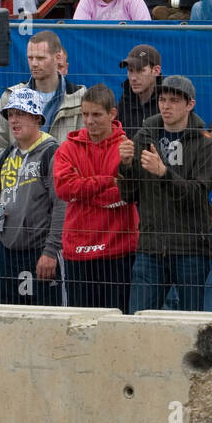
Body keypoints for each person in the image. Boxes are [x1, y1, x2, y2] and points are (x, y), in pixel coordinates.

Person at [119, 74, 212, 313]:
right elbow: (129, 195)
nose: (166, 106)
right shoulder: (144, 136)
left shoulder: (206, 144)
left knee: (193, 325)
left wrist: (164, 173)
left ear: (190, 104)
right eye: (162, 99)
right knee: (137, 321)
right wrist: (125, 165)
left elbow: (197, 195)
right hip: (151, 248)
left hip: (191, 249)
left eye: (173, 100)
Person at [53, 83, 137, 309]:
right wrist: (107, 180)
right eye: (85, 114)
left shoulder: (126, 148)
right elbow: (64, 190)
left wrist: (82, 189)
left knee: (116, 323)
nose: (89, 121)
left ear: (112, 114)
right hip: (78, 252)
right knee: (82, 324)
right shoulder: (68, 149)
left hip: (118, 252)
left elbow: (127, 194)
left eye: (96, 114)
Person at [0, 87, 65, 306]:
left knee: (46, 317)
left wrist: (51, 251)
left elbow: (61, 205)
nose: (14, 121)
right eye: (10, 115)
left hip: (40, 253)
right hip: (8, 252)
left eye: (20, 114)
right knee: (8, 316)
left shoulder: (51, 152)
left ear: (37, 117)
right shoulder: (4, 156)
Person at [0, 30, 84, 164]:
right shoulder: (10, 97)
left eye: (40, 58)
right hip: (19, 181)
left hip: (64, 180)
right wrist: (0, 183)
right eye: (30, 57)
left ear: (57, 58)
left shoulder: (80, 99)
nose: (34, 63)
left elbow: (86, 150)